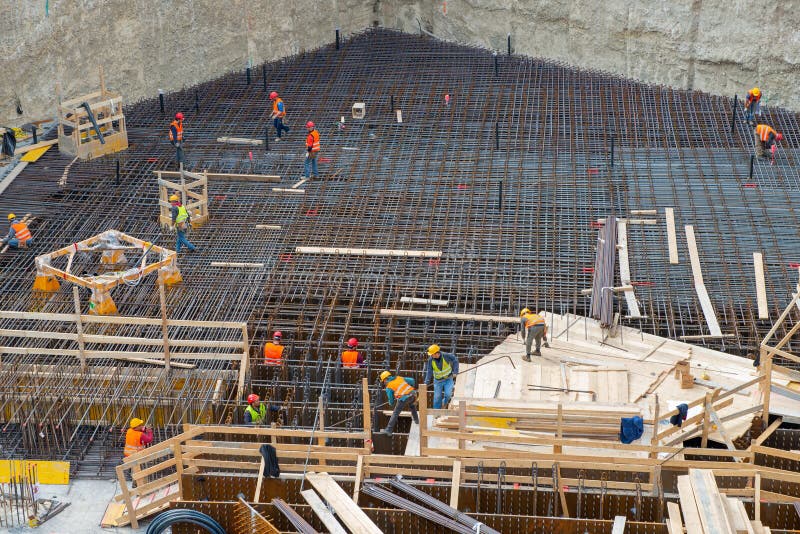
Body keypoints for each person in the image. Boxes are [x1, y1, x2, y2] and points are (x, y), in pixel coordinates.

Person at [380, 371, 419, 436]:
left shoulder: (389, 386)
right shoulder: (399, 378)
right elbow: (412, 380)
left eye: (383, 381)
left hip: (403, 398)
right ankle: (416, 420)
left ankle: (389, 430)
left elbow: (391, 399)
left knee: (395, 413)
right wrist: (411, 388)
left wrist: (391, 403)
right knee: (412, 406)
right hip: (413, 395)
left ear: (385, 379)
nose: (384, 383)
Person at [424, 344, 458, 409]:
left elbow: (455, 360)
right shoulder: (431, 360)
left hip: (448, 379)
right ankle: (436, 413)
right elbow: (429, 371)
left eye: (432, 354)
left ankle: (444, 403)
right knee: (437, 397)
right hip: (438, 381)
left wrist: (455, 371)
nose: (431, 355)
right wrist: (426, 382)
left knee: (448, 395)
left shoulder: (446, 356)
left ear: (437, 353)